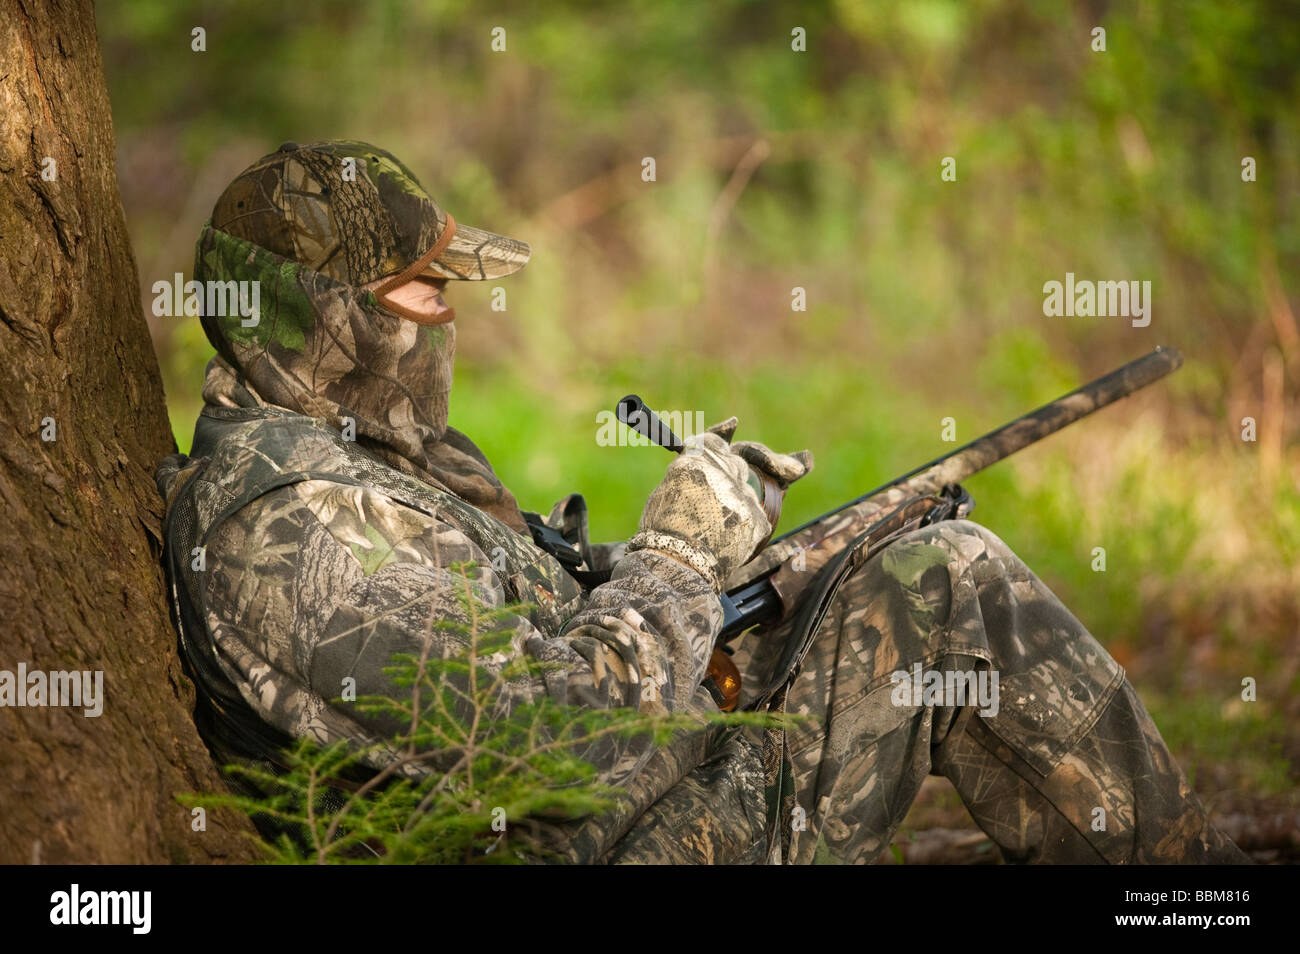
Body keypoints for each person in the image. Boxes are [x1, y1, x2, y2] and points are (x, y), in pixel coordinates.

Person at [156, 140, 1247, 864]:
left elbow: (544, 637)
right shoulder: (287, 525)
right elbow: (557, 743)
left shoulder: (391, 458)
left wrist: (728, 561)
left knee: (901, 563)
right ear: (320, 314)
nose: (450, 319)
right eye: (427, 292)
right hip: (619, 834)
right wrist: (677, 562)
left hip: (646, 792)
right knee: (947, 592)